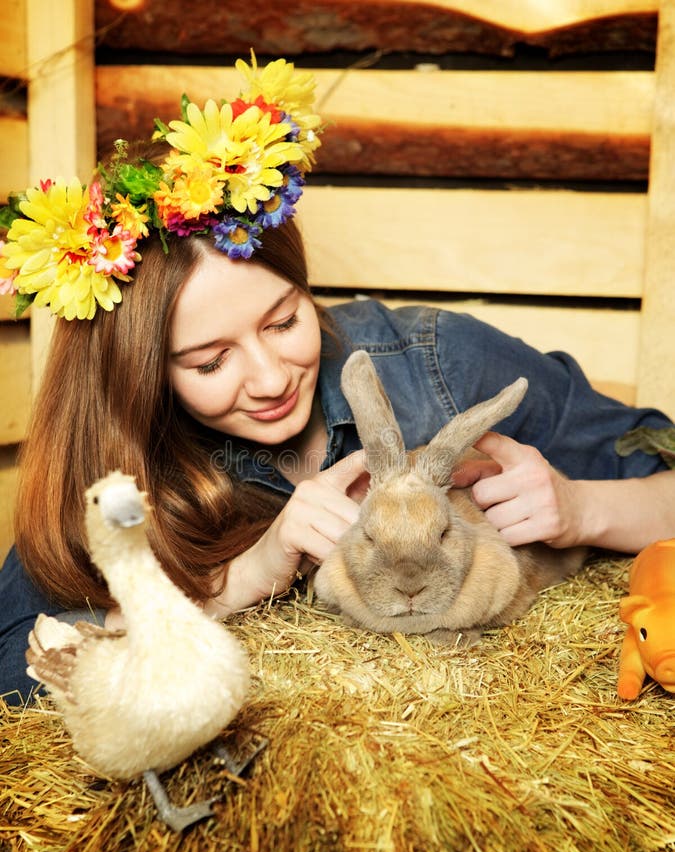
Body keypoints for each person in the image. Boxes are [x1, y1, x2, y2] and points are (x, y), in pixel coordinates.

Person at [1, 56, 673, 704]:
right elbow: (12, 665)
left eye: (283, 321)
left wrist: (583, 507)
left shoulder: (436, 363)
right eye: (210, 362)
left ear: (304, 285)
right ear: (139, 375)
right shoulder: (117, 455)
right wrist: (237, 582)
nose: (270, 379)